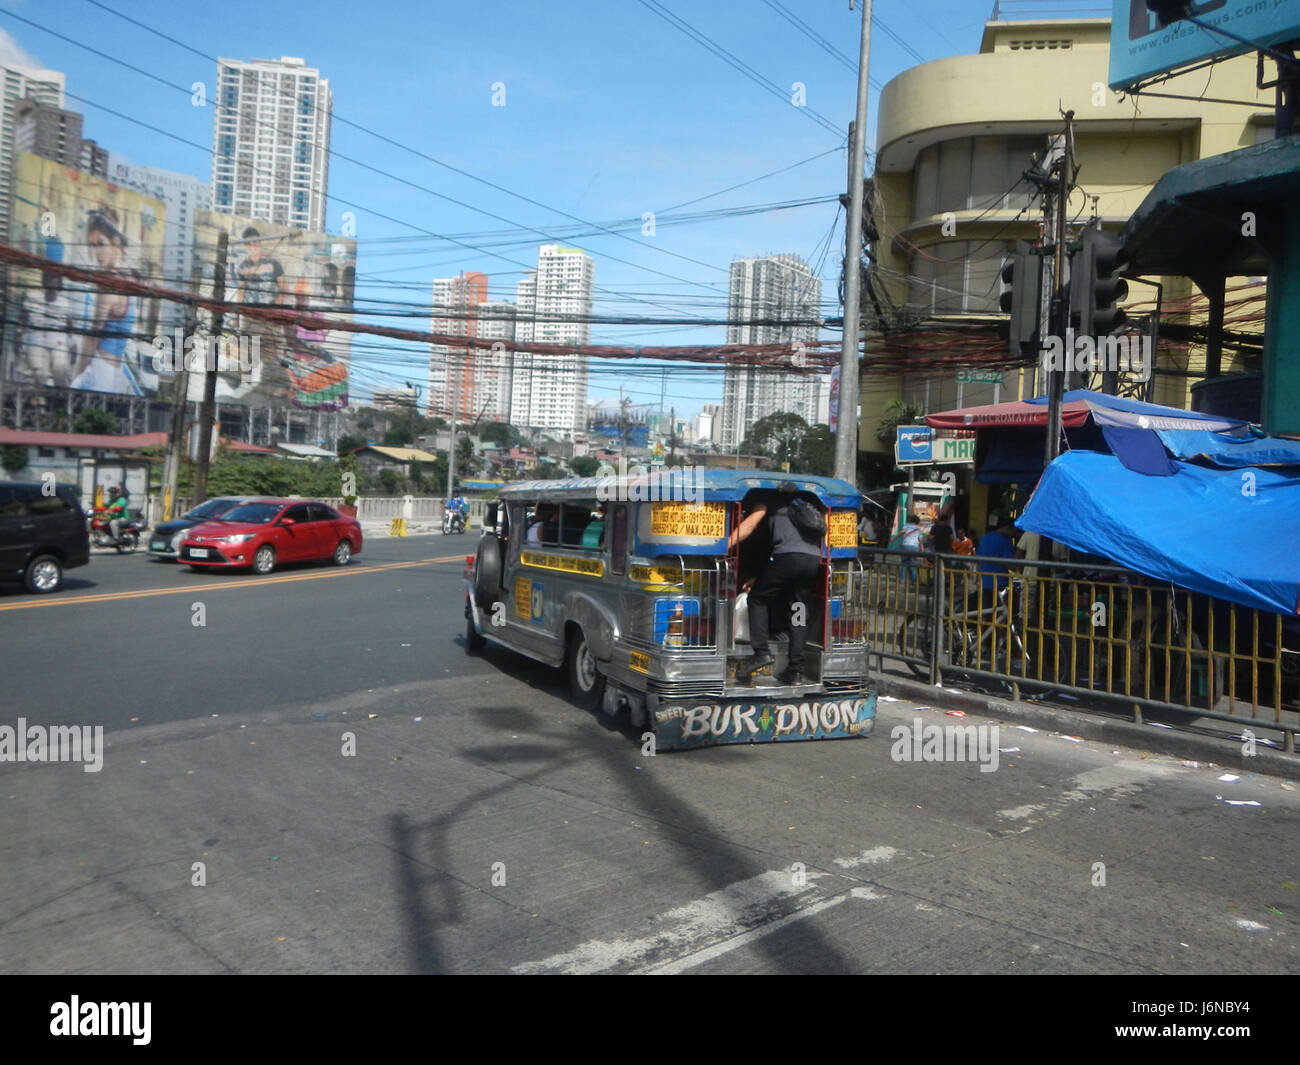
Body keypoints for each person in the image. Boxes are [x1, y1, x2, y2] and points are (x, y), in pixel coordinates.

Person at [730, 485, 823, 686]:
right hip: (812, 560)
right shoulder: (804, 503)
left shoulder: (767, 498)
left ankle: (761, 653)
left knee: (757, 599)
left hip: (787, 558)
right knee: (798, 609)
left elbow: (748, 526)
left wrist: (723, 545)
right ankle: (795, 670)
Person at [972, 517, 1018, 612]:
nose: (1014, 534)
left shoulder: (985, 538)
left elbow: (978, 559)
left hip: (984, 582)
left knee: (985, 613)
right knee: (1001, 614)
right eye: (1013, 530)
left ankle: (984, 627)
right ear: (1008, 528)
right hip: (1000, 584)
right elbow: (1009, 564)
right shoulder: (1005, 541)